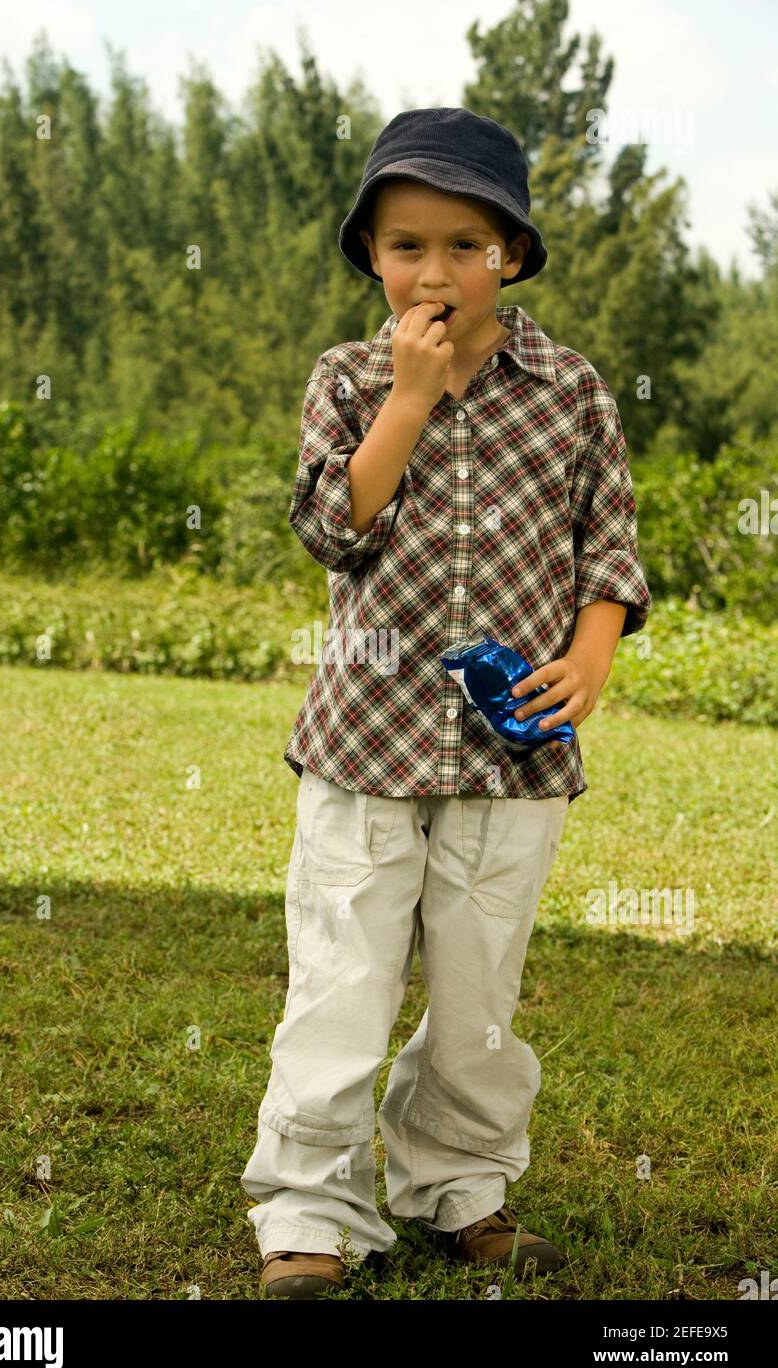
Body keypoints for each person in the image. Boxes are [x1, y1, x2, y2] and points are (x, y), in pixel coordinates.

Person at [240, 107, 652, 1299]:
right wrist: (406, 401)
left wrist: (590, 657)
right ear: (371, 253)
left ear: (509, 254)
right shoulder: (348, 378)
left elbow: (605, 550)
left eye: (464, 244)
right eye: (407, 243)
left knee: (479, 991)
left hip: (511, 751)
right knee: (340, 977)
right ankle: (310, 1209)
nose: (435, 270)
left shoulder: (568, 389)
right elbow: (331, 525)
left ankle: (457, 1187)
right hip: (365, 745)